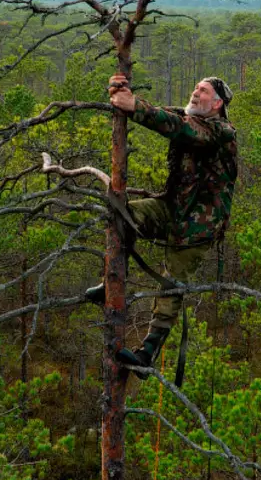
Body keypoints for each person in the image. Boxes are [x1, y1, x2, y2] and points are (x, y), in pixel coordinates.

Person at [86, 75, 239, 375]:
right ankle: (112, 283)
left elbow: (179, 128)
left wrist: (134, 107)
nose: (195, 93)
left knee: (171, 284)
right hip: (173, 209)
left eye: (203, 91)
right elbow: (166, 115)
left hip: (199, 228)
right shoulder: (189, 116)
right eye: (194, 87)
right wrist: (126, 96)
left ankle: (148, 353)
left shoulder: (222, 131)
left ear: (218, 103)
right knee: (123, 215)